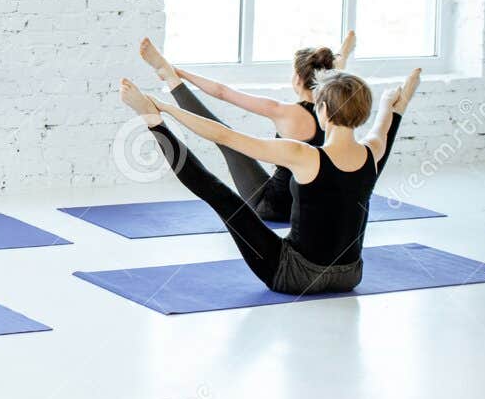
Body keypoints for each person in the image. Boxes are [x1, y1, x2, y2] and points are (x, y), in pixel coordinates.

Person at [118, 66, 418, 295]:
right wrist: (396, 102)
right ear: (362, 113)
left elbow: (225, 136)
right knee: (367, 174)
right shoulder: (373, 151)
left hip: (296, 277)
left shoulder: (303, 155)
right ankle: (153, 120)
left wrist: (164, 108)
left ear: (323, 111)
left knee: (223, 197)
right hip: (350, 276)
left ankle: (151, 121)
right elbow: (385, 126)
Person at [137, 32, 355, 223]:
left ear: (297, 78)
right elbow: (337, 69)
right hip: (309, 208)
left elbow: (222, 92)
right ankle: (170, 75)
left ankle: (170, 78)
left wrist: (177, 72)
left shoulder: (283, 111)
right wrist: (344, 50)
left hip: (271, 207)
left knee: (226, 137)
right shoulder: (334, 107)